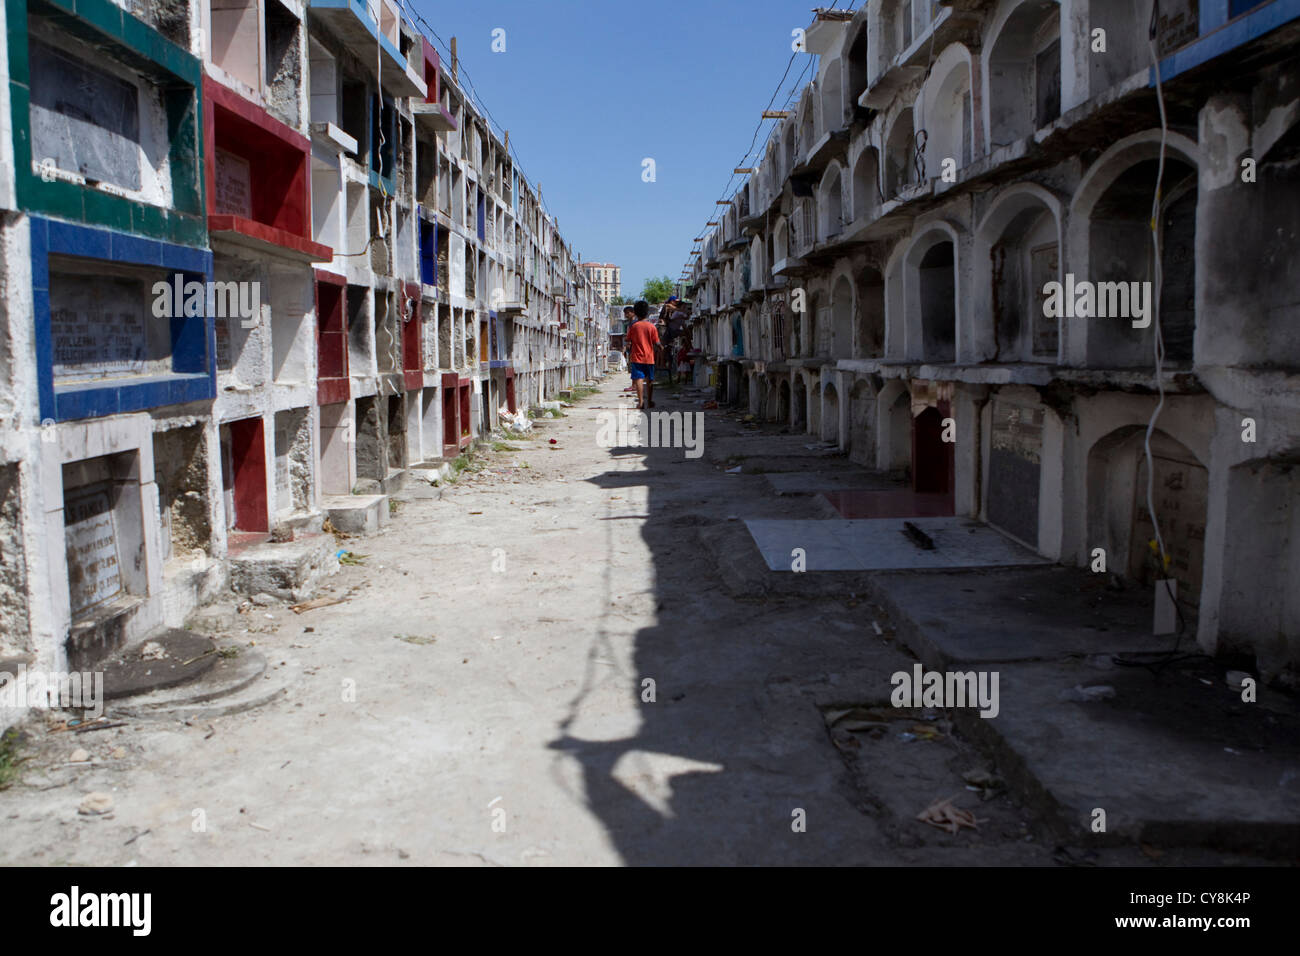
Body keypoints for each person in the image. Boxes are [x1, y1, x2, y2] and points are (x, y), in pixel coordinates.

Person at [624, 300, 659, 410]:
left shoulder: (633, 327)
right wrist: (662, 348)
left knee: (638, 378)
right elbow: (656, 342)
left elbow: (627, 339)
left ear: (635, 312)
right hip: (649, 358)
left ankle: (640, 402)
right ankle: (649, 401)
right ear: (647, 312)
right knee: (650, 379)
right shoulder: (652, 327)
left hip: (636, 357)